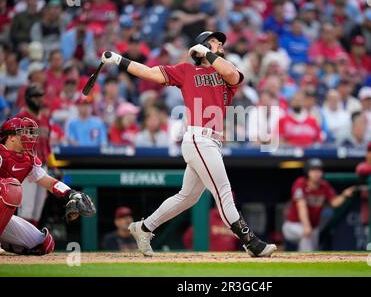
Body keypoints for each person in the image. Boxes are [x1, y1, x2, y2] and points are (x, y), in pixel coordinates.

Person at [100, 30, 277, 257]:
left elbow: (232, 74)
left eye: (220, 42)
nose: (220, 44)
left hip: (211, 141)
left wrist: (208, 53)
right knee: (224, 193)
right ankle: (252, 243)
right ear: (202, 45)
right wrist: (117, 59)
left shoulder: (225, 70)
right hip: (198, 138)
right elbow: (150, 73)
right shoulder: (186, 70)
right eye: (214, 41)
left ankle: (143, 228)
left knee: (187, 197)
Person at [0, 116, 95, 255]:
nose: (28, 136)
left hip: (3, 217)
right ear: (11, 137)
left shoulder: (28, 159)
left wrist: (71, 193)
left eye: (29, 132)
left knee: (44, 244)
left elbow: (49, 182)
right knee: (11, 188)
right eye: (23, 132)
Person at [283, 158, 355, 251]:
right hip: (293, 225)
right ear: (307, 172)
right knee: (306, 236)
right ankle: (305, 262)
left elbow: (334, 203)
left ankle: (307, 260)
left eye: (319, 170)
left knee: (312, 248)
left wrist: (344, 195)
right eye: (313, 170)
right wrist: (306, 225)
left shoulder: (324, 185)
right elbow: (301, 206)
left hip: (313, 228)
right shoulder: (300, 183)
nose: (317, 174)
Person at [15, 84, 57, 226]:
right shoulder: (21, 118)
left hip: (42, 167)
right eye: (35, 96)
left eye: (40, 96)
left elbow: (47, 147)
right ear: (27, 98)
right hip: (26, 166)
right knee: (27, 207)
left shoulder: (45, 119)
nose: (39, 99)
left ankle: (29, 243)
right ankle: (19, 243)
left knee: (38, 208)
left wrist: (54, 166)